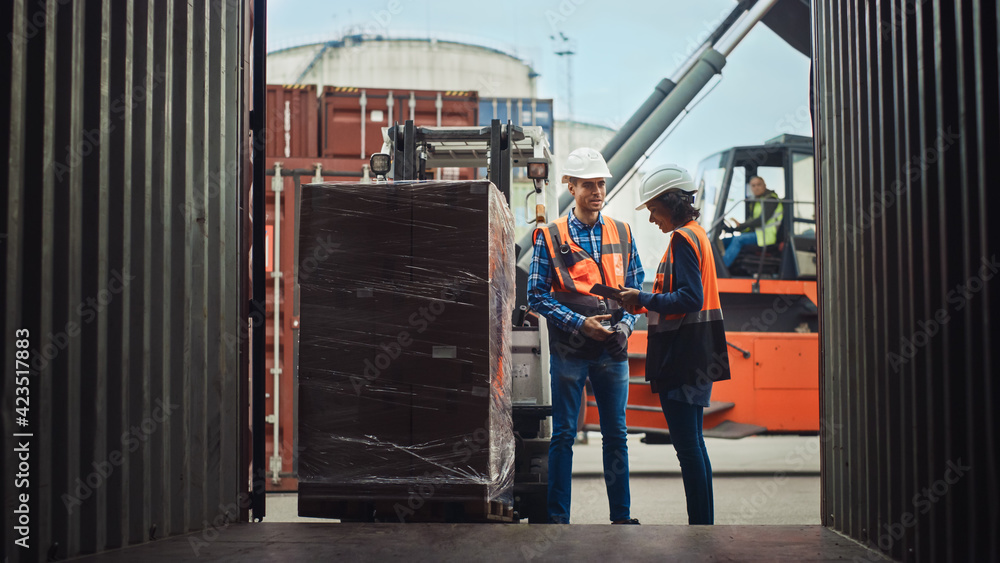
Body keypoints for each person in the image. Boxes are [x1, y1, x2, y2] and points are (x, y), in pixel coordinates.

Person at [527, 147, 644, 525]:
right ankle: (559, 517)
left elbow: (637, 288)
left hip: (613, 348)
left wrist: (624, 327)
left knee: (617, 435)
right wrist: (579, 324)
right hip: (570, 349)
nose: (597, 191)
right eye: (588, 184)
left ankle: (621, 517)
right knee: (563, 435)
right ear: (570, 186)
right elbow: (536, 296)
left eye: (600, 183)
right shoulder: (550, 235)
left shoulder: (623, 233)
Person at [617, 164, 731, 525]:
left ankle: (700, 527)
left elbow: (689, 298)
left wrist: (643, 297)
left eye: (653, 208)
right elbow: (683, 295)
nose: (651, 218)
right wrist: (643, 299)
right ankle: (703, 524)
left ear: (671, 202)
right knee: (694, 445)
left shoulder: (683, 239)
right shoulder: (698, 234)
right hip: (699, 350)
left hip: (683, 354)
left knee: (687, 448)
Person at [721, 176, 784, 267]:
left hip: (766, 236)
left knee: (738, 240)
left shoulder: (771, 200)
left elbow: (760, 221)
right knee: (724, 241)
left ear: (764, 185)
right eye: (753, 186)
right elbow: (752, 221)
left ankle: (721, 268)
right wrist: (735, 229)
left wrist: (741, 226)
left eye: (759, 185)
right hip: (758, 233)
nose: (756, 188)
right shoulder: (758, 201)